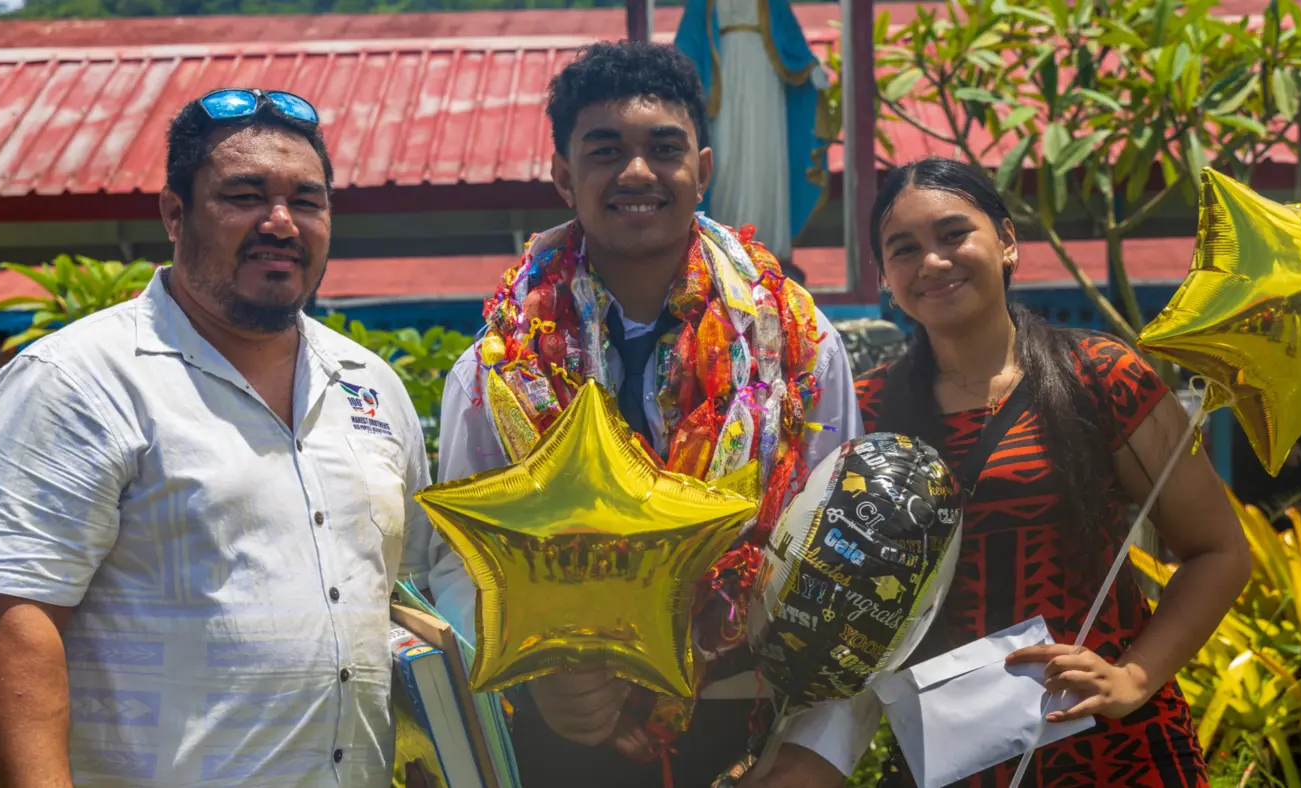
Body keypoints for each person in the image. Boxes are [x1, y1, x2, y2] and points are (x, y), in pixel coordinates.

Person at [0, 88, 436, 787]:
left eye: (307, 200)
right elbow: (12, 617)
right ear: (175, 215)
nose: (280, 222)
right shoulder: (80, 380)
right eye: (244, 196)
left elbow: (404, 599)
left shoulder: (370, 384)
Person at [427, 41, 875, 788]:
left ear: (701, 170)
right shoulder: (498, 367)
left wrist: (817, 754)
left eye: (663, 149)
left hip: (754, 726)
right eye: (606, 151)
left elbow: (842, 552)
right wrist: (534, 673)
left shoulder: (795, 344)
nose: (636, 173)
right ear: (564, 177)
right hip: (565, 733)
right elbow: (456, 558)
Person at [852, 157, 1252, 786]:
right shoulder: (865, 414)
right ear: (884, 277)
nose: (932, 261)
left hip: (1118, 751)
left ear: (1007, 241)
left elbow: (1220, 551)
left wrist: (1135, 677)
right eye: (904, 249)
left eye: (955, 235)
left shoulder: (1100, 376)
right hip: (953, 758)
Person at [674, 0, 828, 261]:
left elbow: (788, 34)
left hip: (764, 76)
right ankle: (725, 243)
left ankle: (766, 245)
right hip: (723, 80)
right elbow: (689, 40)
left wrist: (809, 67)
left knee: (764, 153)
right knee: (725, 158)